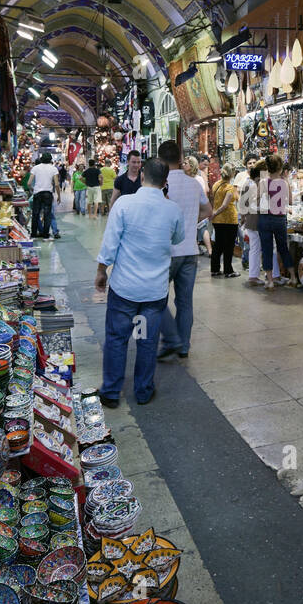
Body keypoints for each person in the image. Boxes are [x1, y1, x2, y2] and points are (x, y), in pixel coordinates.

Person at [93, 157, 185, 407]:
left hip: (125, 290)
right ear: (165, 182)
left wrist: (102, 271)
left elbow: (110, 243)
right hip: (153, 294)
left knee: (117, 338)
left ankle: (111, 392)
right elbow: (178, 238)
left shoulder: (124, 204)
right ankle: (143, 390)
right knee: (146, 340)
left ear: (142, 175)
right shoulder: (172, 210)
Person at [157, 139, 211, 361]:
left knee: (156, 299)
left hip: (166, 252)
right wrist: (189, 222)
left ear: (160, 160)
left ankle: (170, 338)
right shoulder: (194, 184)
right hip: (190, 251)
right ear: (180, 159)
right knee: (185, 302)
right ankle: (183, 346)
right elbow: (208, 210)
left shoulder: (159, 184)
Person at [258, 155, 294, 290]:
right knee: (283, 248)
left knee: (266, 249)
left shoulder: (263, 182)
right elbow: (290, 201)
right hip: (280, 218)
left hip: (265, 218)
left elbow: (257, 199)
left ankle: (270, 281)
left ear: (267, 168)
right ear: (280, 168)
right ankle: (293, 277)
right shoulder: (285, 183)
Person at [209, 164, 240, 278]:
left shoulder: (216, 185)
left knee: (218, 245)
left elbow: (214, 200)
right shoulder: (230, 188)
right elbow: (225, 205)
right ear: (232, 174)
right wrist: (215, 213)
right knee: (229, 246)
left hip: (218, 221)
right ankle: (228, 270)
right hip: (229, 220)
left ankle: (215, 269)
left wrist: (213, 213)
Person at [26, 151, 60, 239]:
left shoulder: (35, 168)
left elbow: (29, 183)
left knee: (35, 214)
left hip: (37, 193)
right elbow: (56, 184)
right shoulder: (53, 169)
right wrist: (59, 196)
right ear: (50, 160)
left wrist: (33, 189)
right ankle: (45, 234)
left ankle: (33, 234)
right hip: (48, 194)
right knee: (47, 214)